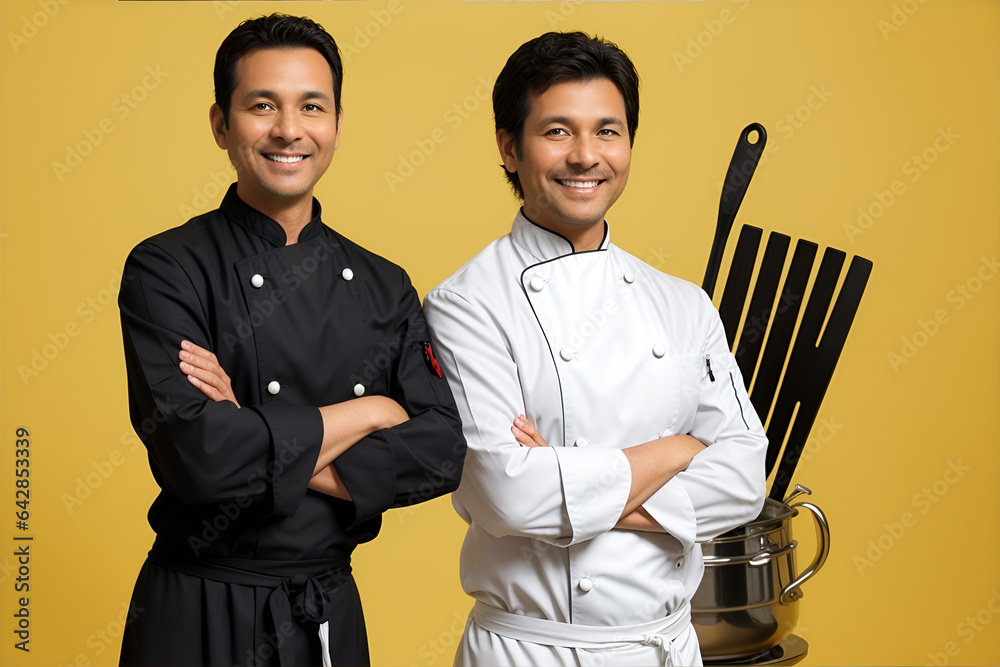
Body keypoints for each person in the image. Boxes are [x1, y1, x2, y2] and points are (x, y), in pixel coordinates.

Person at [117, 14, 466, 667]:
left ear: (336, 123)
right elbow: (202, 460)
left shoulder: (382, 283)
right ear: (221, 124)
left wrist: (252, 427)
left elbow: (442, 451)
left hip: (326, 609)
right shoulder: (166, 268)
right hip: (196, 608)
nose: (288, 129)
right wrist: (370, 413)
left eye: (312, 106)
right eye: (261, 106)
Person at [422, 32, 767, 666]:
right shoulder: (466, 304)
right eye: (557, 131)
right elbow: (507, 496)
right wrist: (678, 450)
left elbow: (745, 481)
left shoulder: (682, 303)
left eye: (607, 131)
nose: (586, 156)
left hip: (669, 647)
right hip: (536, 650)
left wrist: (563, 479)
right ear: (509, 147)